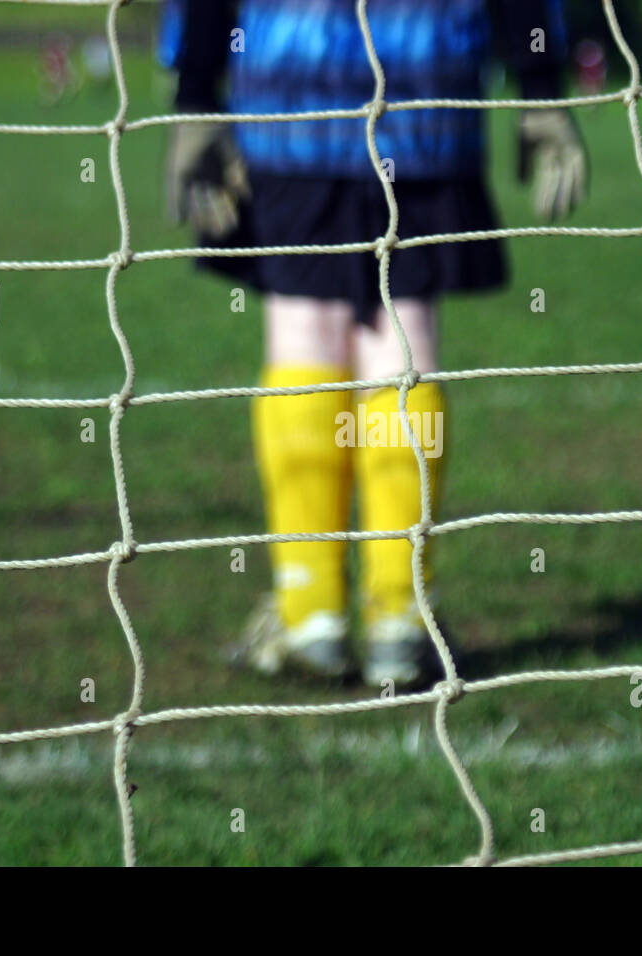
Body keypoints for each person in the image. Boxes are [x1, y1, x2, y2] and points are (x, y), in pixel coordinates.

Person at [159, 0, 587, 688]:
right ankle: (399, 616)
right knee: (403, 339)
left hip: (294, 96)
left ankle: (310, 613)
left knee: (304, 333)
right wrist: (539, 85)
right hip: (422, 97)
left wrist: (195, 90)